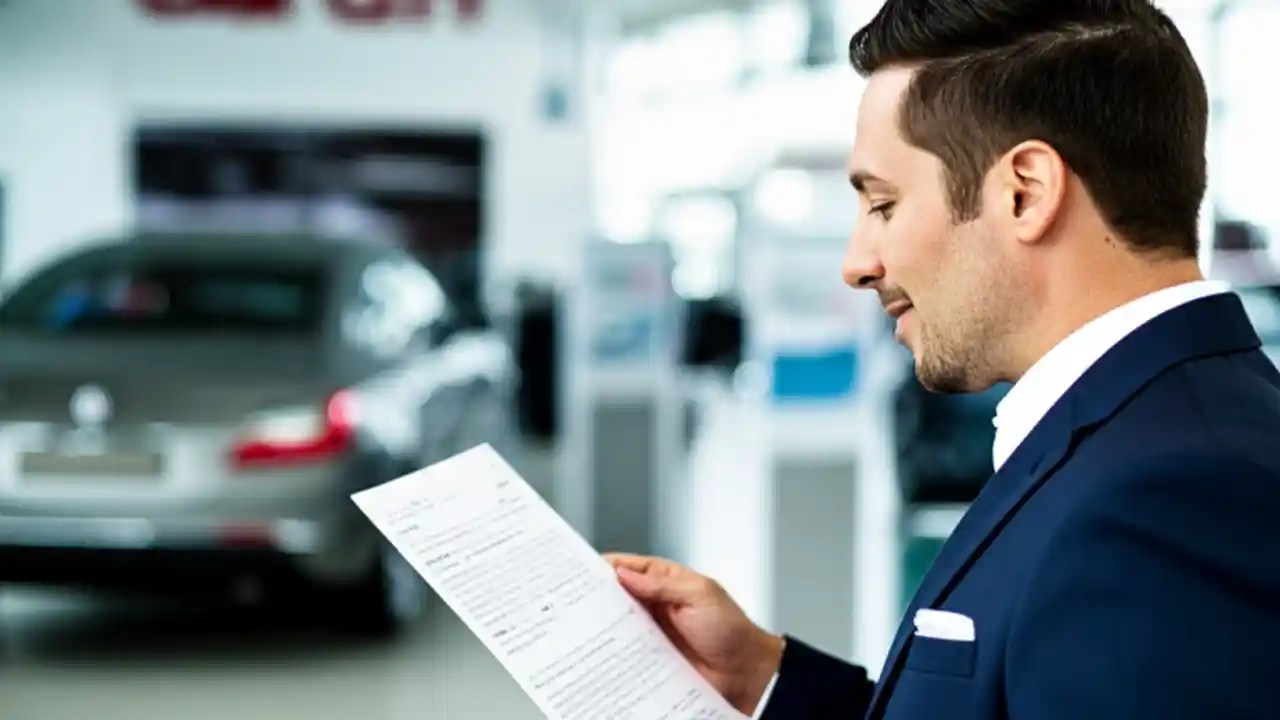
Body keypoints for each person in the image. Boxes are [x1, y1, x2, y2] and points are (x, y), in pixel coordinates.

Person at [607, 1, 1280, 718]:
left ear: (1025, 193)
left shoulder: (1166, 498)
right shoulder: (1147, 431)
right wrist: (765, 677)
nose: (857, 265)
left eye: (884, 204)